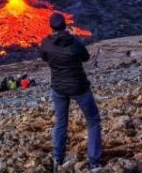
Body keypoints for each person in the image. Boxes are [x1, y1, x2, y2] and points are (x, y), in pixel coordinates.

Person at [41, 12, 102, 171]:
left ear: (51, 27)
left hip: (59, 88)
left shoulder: (46, 43)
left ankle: (58, 159)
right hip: (79, 86)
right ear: (65, 25)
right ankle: (94, 162)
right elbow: (85, 58)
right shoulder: (75, 43)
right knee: (93, 120)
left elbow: (45, 58)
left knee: (61, 122)